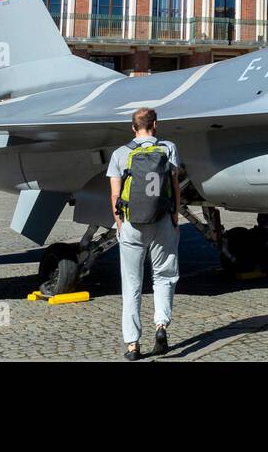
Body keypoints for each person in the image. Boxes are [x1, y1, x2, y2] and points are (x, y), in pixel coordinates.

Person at [108, 107, 183, 360]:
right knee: (164, 275)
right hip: (162, 219)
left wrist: (120, 224)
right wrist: (175, 217)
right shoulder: (168, 149)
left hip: (131, 223)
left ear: (133, 127)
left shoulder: (120, 153)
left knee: (132, 284)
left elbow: (115, 195)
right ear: (155, 125)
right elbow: (174, 187)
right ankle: (161, 326)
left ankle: (132, 345)